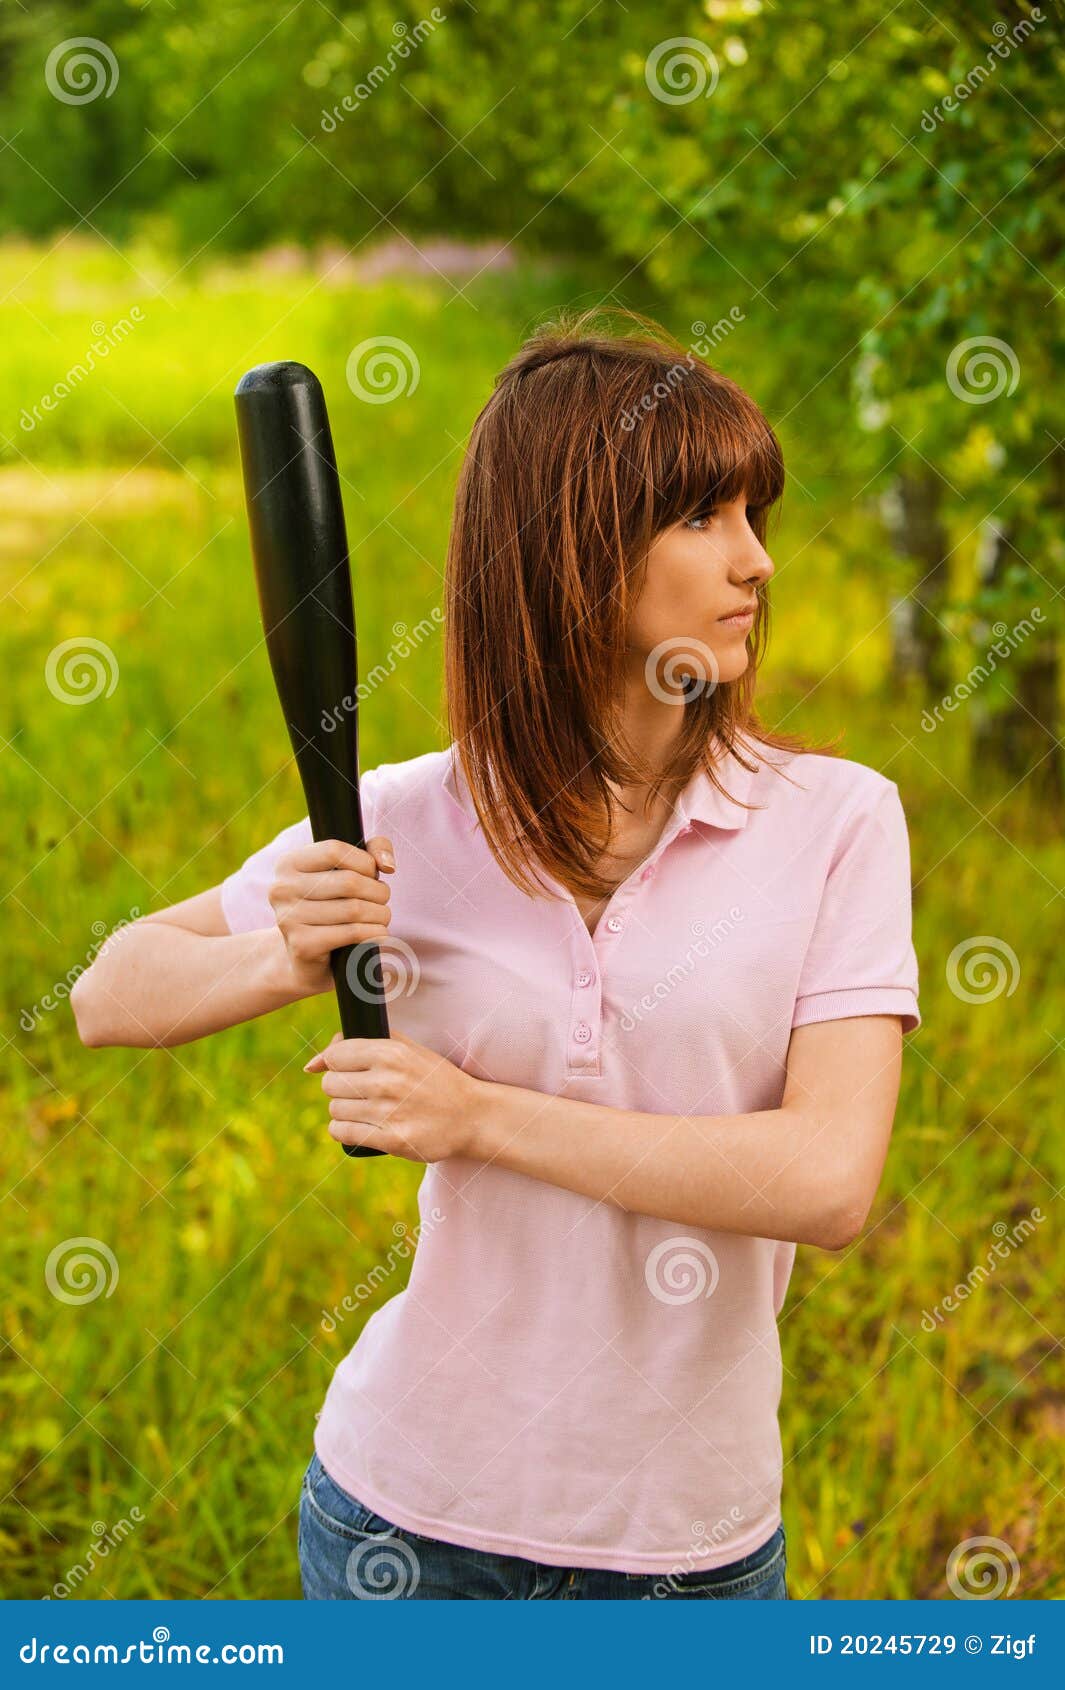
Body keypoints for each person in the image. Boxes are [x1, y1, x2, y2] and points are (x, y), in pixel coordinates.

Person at [72, 312, 921, 1600]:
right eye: (705, 518)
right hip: (403, 1527)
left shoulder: (835, 823)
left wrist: (475, 1116)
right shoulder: (406, 816)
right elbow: (104, 998)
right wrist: (287, 955)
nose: (755, 561)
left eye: (758, 516)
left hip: (687, 1551)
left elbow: (827, 1181)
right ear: (573, 551)